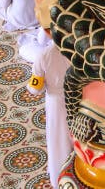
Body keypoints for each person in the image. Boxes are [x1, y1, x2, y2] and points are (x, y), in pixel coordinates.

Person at [26, 32, 72, 188]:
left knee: (58, 140)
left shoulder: (43, 55)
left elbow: (34, 88)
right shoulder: (76, 49)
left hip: (55, 102)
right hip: (78, 96)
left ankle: (58, 177)